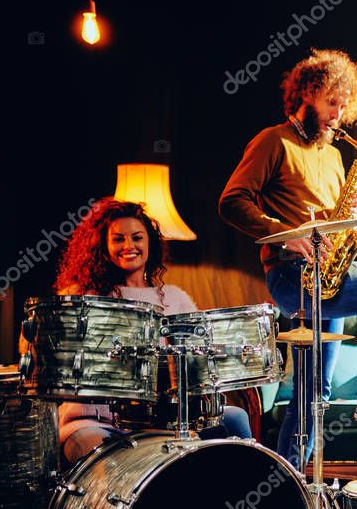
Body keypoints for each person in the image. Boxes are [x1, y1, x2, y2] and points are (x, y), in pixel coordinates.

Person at [219, 48, 357, 468]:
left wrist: (343, 218)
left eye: (345, 106)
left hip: (325, 271)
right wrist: (285, 236)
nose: (338, 114)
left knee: (315, 392)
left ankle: (284, 483)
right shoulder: (272, 140)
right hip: (292, 274)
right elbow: (231, 202)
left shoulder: (333, 155)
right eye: (332, 102)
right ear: (307, 93)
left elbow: (325, 224)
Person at [54, 199, 253, 466]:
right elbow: (51, 356)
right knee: (105, 464)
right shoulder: (80, 296)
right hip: (93, 421)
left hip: (164, 422)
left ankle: (249, 502)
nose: (129, 246)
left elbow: (199, 366)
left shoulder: (175, 298)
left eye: (137, 237)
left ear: (150, 243)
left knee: (235, 417)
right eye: (118, 239)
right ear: (103, 245)